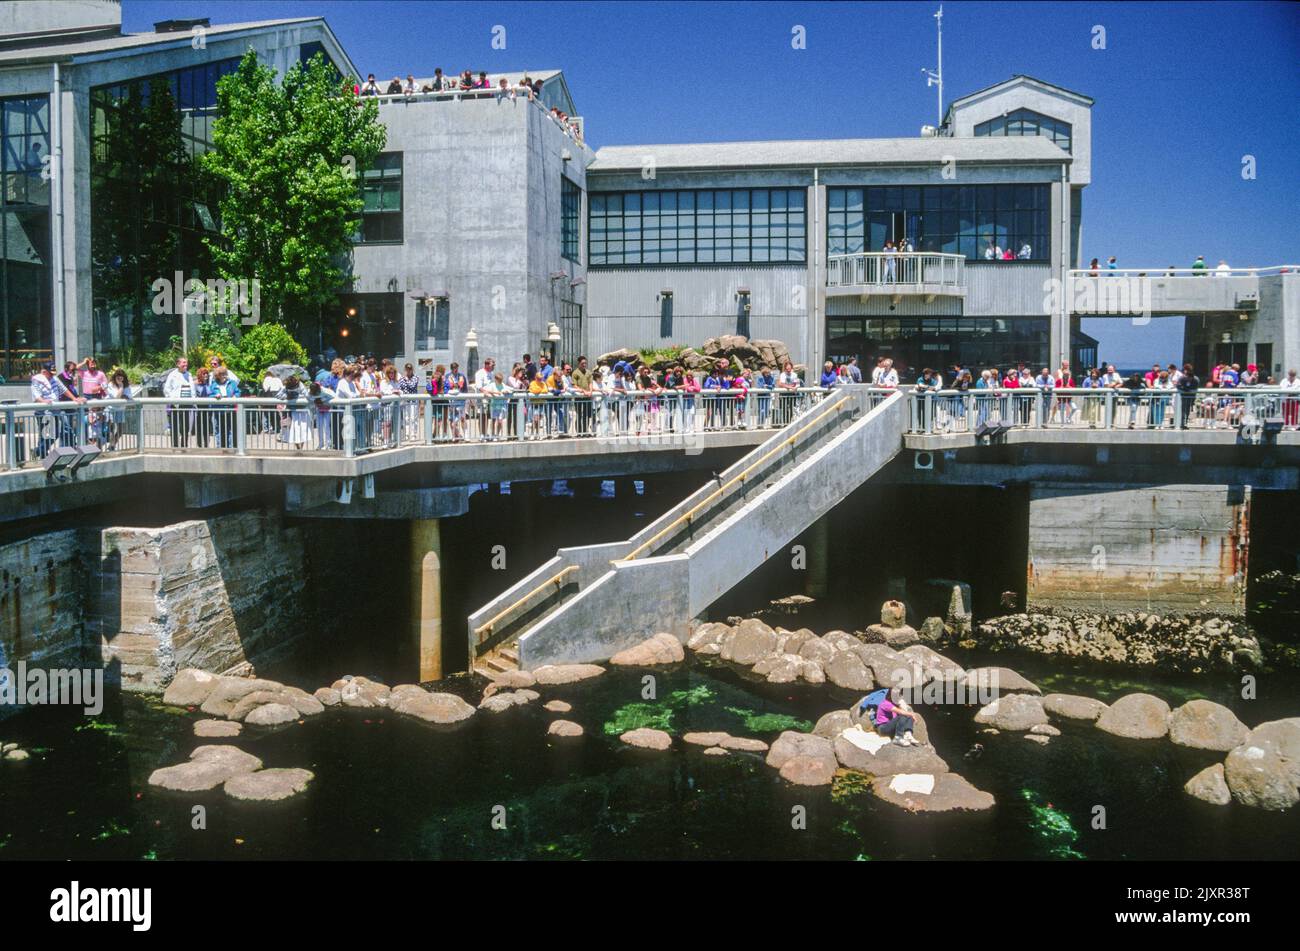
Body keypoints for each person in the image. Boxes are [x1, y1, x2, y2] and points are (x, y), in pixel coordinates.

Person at [162, 357, 195, 447]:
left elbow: (192, 390)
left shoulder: (189, 374)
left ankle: (184, 445)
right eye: (183, 363)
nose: (186, 364)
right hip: (176, 405)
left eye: (186, 363)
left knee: (185, 426)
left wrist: (193, 400)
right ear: (178, 364)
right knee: (175, 426)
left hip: (187, 404)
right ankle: (175, 445)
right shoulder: (172, 375)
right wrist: (173, 399)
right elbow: (166, 389)